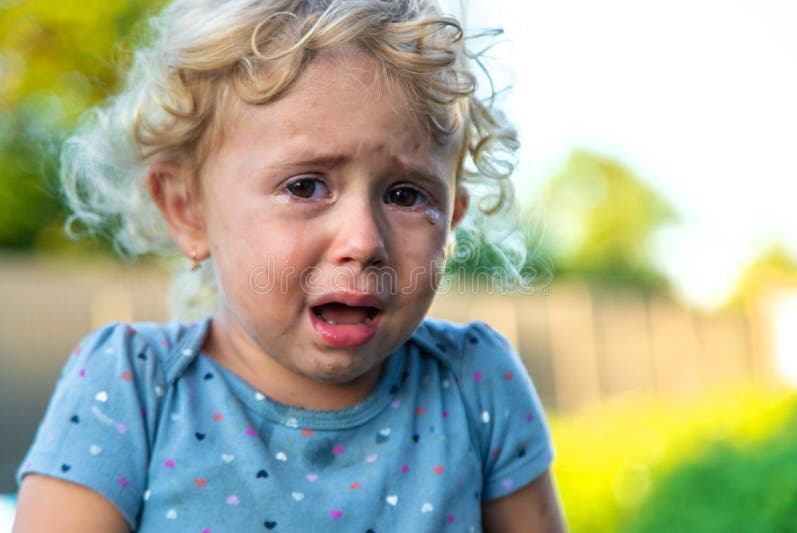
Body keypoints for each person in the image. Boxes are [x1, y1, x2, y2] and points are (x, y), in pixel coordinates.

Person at [13, 0, 566, 531]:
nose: (363, 240)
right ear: (189, 209)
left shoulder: (475, 383)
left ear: (452, 219)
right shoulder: (132, 390)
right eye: (305, 186)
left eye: (405, 195)